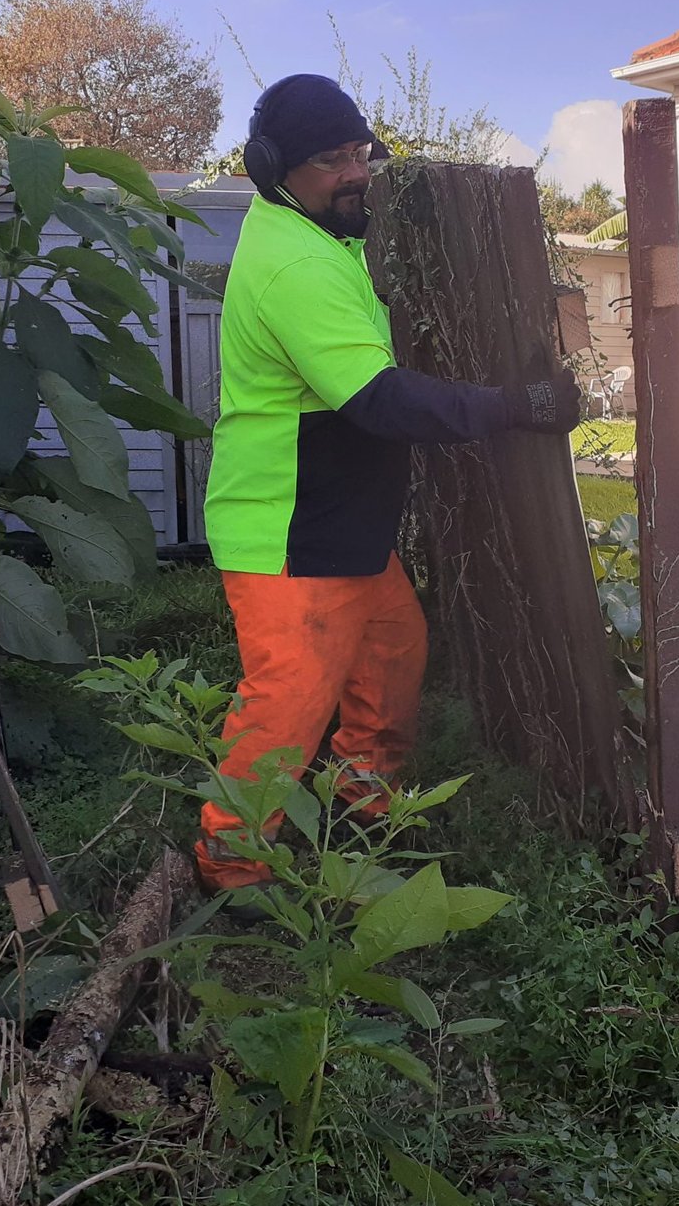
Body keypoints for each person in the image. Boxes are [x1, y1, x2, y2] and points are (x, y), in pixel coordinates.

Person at [195, 73, 581, 891]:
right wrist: (517, 406)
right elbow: (380, 399)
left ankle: (362, 806)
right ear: (273, 171)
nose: (355, 171)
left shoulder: (327, 234)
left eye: (359, 152)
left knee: (391, 660)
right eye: (330, 160)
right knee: (288, 702)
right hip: (287, 530)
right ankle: (230, 861)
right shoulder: (292, 264)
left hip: (344, 520)